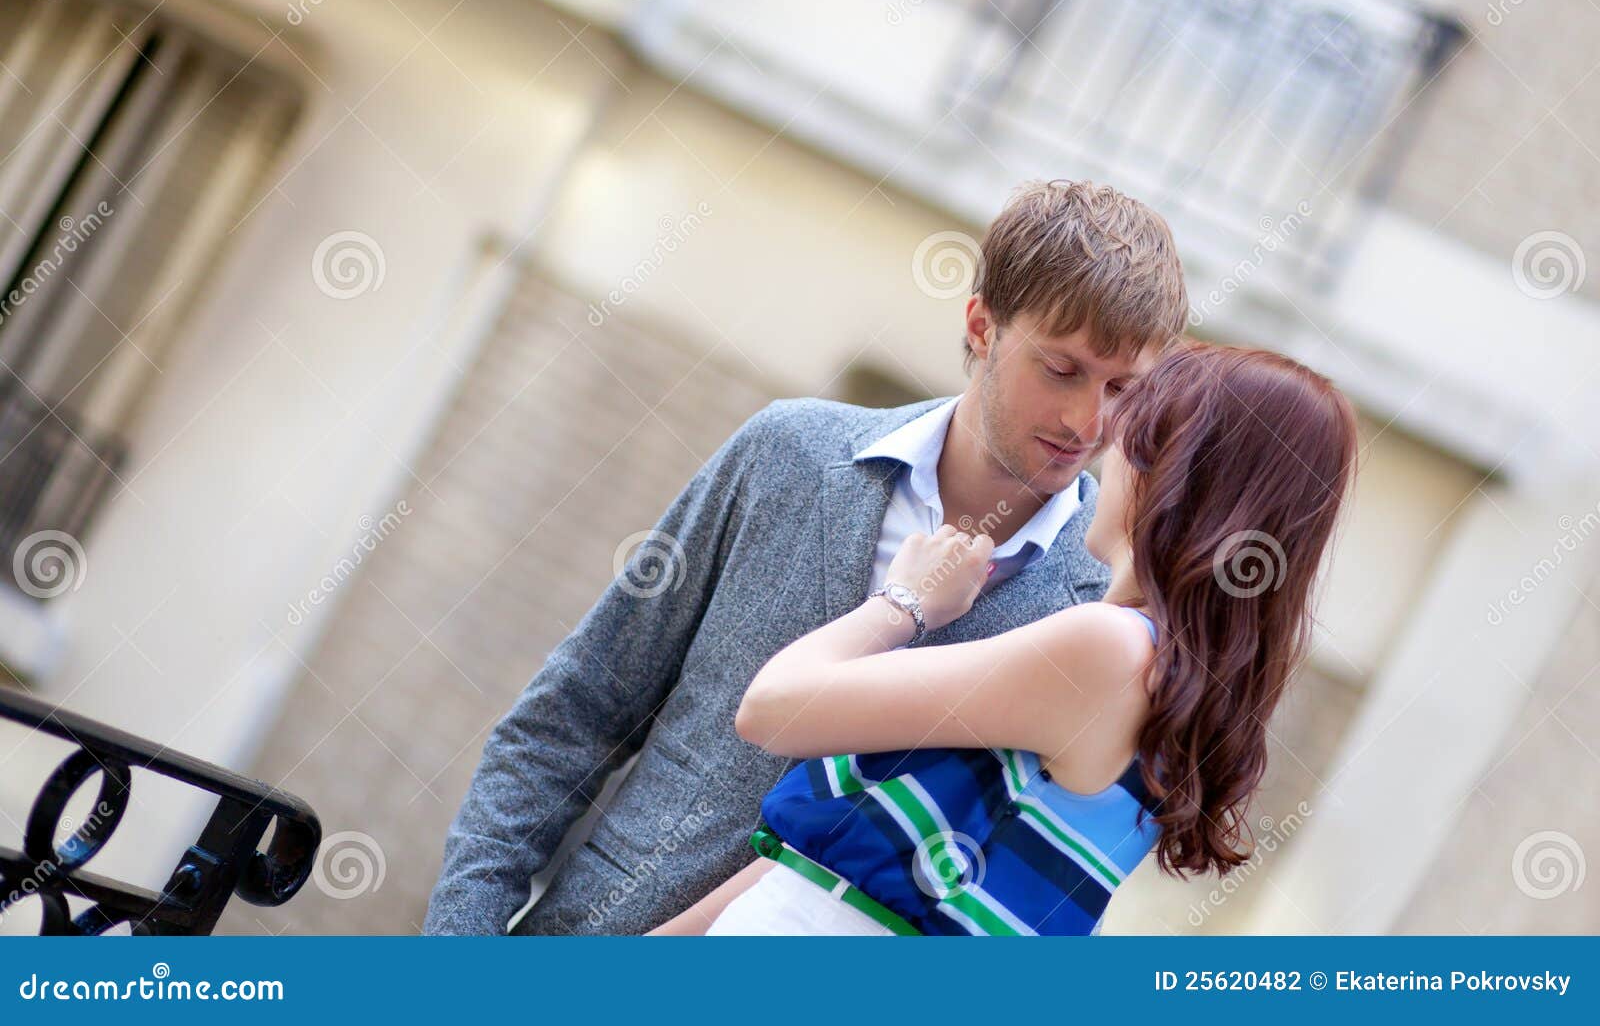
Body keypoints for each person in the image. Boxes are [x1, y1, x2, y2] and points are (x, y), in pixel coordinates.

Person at [423, 179, 1188, 935]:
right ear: (983, 327)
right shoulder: (787, 453)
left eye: (1125, 388)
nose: (1089, 419)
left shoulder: (1100, 618)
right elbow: (575, 714)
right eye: (1062, 369)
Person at [652, 342, 1358, 935]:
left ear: (1171, 474)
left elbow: (775, 707)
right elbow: (827, 861)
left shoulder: (1108, 652)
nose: (1103, 452)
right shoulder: (1158, 675)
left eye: (1133, 435)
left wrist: (906, 603)